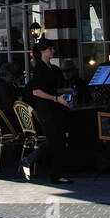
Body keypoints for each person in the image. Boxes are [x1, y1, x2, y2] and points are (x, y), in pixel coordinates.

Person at [22, 39, 72, 185]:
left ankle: (34, 162)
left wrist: (64, 94)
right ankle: (52, 173)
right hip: (45, 108)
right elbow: (36, 91)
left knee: (57, 140)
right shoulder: (39, 69)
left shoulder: (53, 69)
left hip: (55, 107)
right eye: (50, 49)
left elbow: (54, 88)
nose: (53, 51)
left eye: (53, 49)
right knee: (54, 140)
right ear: (43, 51)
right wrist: (56, 98)